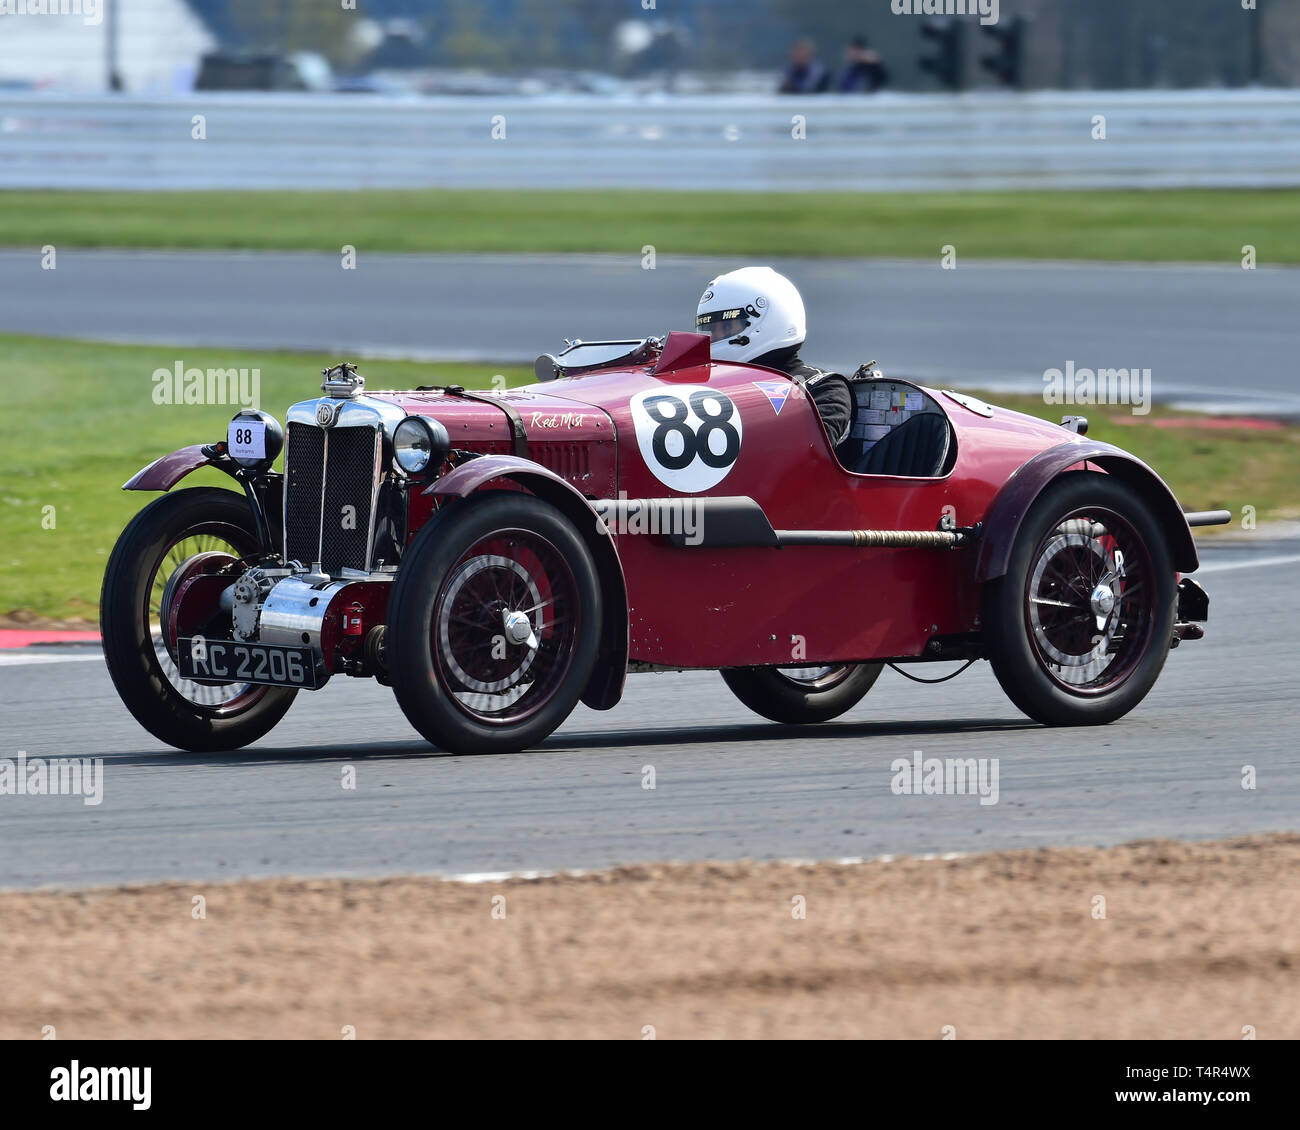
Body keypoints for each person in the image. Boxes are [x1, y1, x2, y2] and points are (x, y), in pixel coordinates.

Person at [694, 267, 853, 449]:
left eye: (727, 327)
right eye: (712, 330)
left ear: (769, 319)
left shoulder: (822, 388)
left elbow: (807, 453)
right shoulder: (708, 385)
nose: (715, 338)